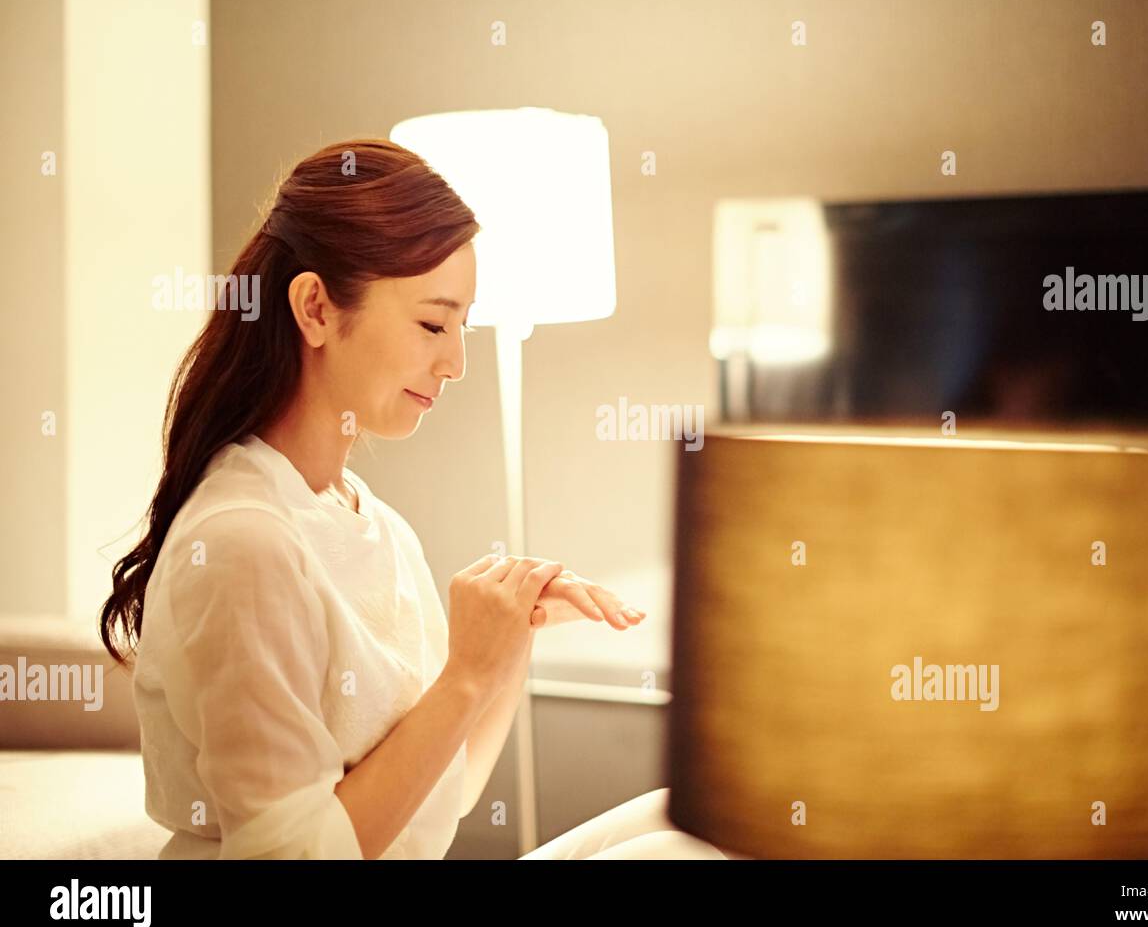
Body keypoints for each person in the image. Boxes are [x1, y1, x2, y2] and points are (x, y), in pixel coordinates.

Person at [98, 138, 729, 860]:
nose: (456, 362)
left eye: (463, 326)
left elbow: (443, 794)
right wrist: (464, 673)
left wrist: (503, 646)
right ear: (315, 308)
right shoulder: (245, 542)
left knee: (678, 822)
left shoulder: (371, 522)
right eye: (433, 324)